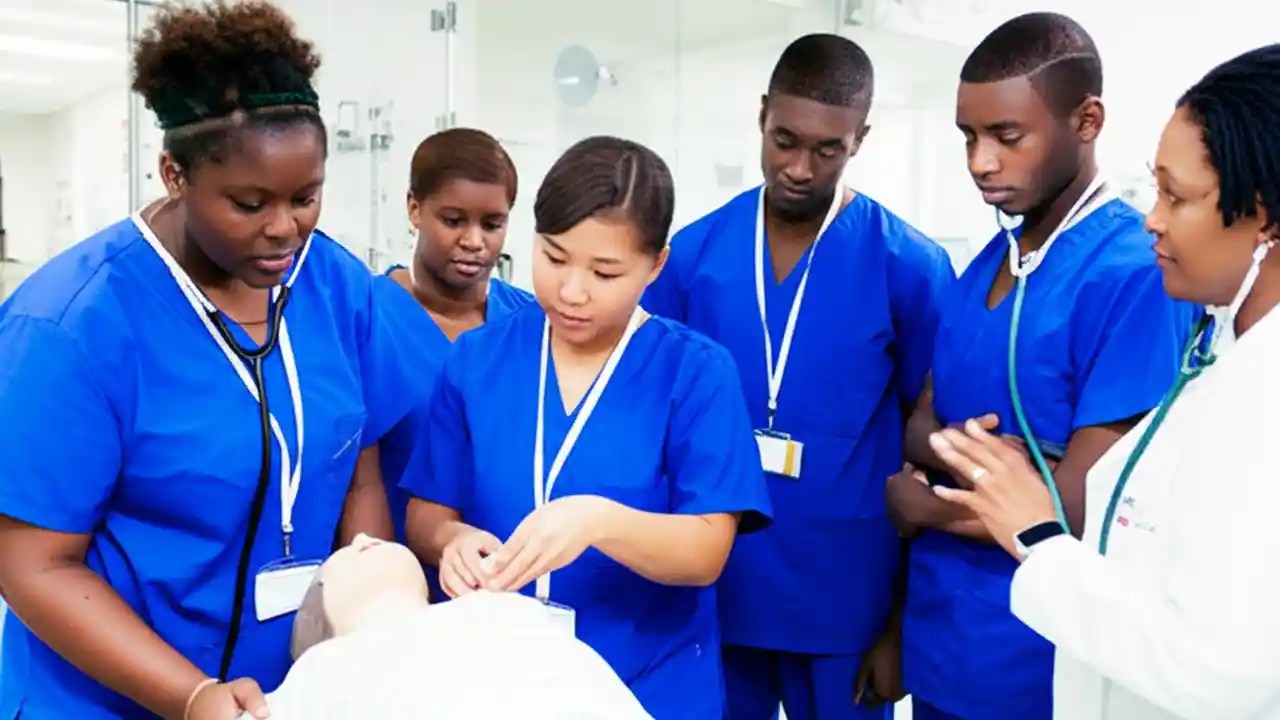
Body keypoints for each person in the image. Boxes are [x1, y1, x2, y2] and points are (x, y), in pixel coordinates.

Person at [0, 2, 419, 717]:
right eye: (249, 203)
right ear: (174, 173)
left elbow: (359, 473)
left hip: (290, 691)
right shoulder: (72, 326)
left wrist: (368, 635)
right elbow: (33, 565)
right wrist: (190, 695)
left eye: (306, 197)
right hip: (106, 697)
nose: (285, 229)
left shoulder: (336, 285)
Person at [926, 43, 1280, 720]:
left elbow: (1216, 671)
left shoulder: (1265, 396)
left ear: (1263, 214)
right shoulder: (1227, 359)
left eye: (1176, 196)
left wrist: (1034, 533)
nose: (1152, 216)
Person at [888, 13, 1199, 720]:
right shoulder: (984, 268)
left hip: (1039, 661)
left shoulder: (1133, 274)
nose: (980, 162)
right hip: (943, 645)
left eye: (1007, 136)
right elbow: (920, 426)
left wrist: (927, 504)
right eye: (969, 136)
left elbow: (1082, 503)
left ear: (1086, 120)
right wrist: (1009, 464)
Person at [401, 135, 773, 719]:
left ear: (656, 265)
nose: (571, 292)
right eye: (552, 257)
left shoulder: (693, 372)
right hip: (500, 680)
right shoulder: (477, 360)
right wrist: (452, 543)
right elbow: (428, 513)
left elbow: (706, 550)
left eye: (604, 272)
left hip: (647, 685)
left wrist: (598, 521)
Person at [642, 34, 954, 720]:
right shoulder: (692, 257)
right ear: (761, 116)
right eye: (785, 140)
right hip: (720, 587)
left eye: (827, 150)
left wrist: (898, 623)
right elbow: (652, 427)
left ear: (860, 140)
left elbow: (925, 447)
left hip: (847, 596)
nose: (800, 168)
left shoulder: (908, 267)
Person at [252, 534, 651, 719]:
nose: (360, 537)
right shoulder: (322, 666)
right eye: (341, 557)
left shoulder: (510, 611)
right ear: (325, 627)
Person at [377, 128, 533, 543]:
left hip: (503, 573)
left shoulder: (528, 322)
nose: (474, 242)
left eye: (492, 224)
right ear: (414, 208)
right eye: (453, 220)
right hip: (397, 571)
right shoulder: (369, 315)